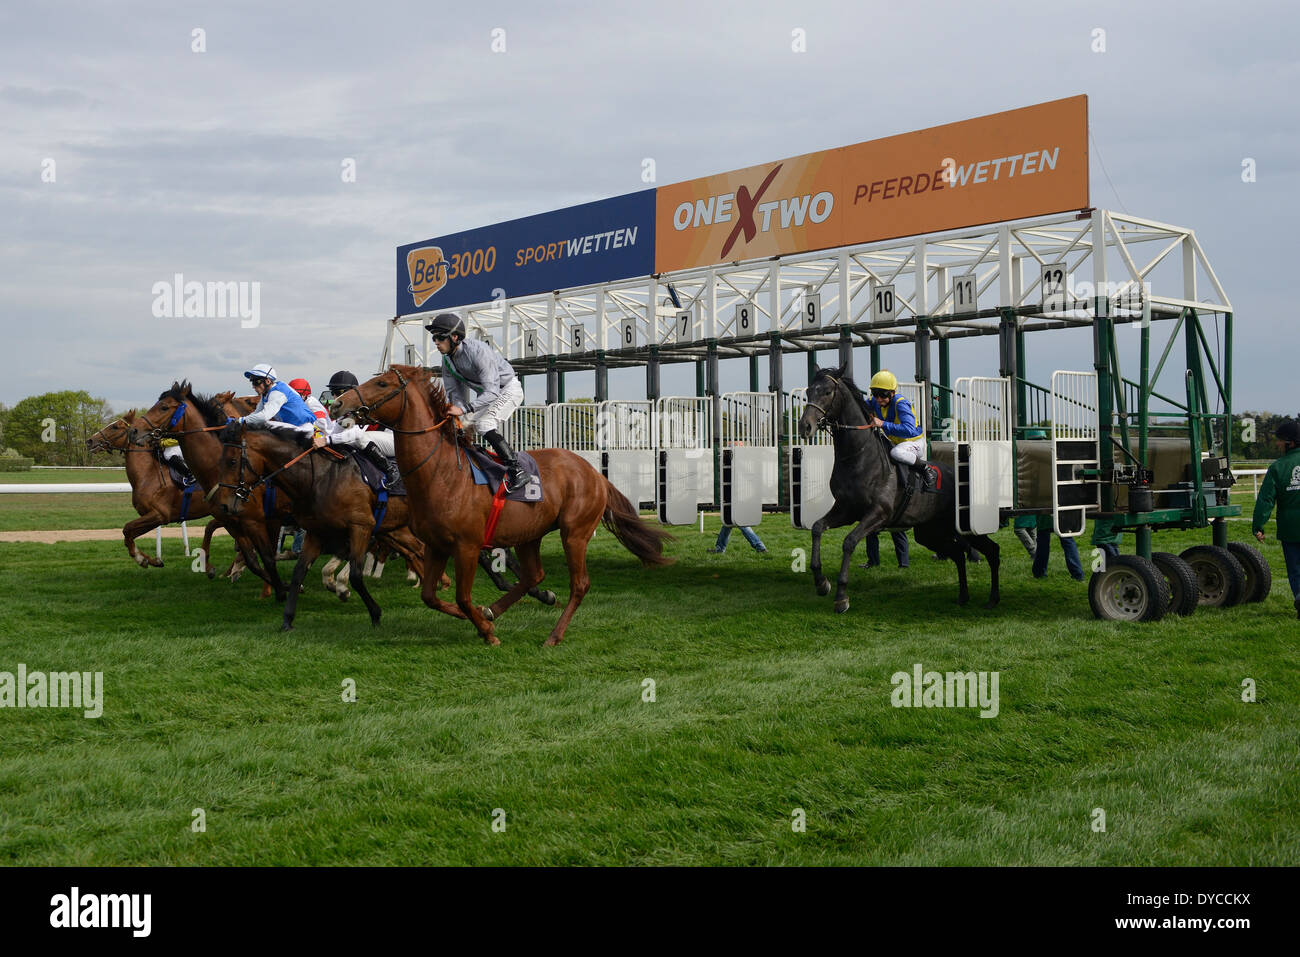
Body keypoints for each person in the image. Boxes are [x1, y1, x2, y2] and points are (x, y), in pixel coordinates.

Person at [425, 311, 528, 492]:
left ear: (455, 337)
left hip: (507, 389)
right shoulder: (447, 360)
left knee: (484, 424)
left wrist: (464, 409)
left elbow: (492, 391)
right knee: (460, 426)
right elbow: (454, 392)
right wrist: (458, 412)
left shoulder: (479, 351)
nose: (436, 342)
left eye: (440, 337)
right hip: (488, 395)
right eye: (434, 338)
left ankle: (517, 470)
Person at [312, 370, 400, 487]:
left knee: (359, 439)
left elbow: (355, 434)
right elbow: (334, 432)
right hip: (374, 441)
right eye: (333, 392)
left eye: (338, 392)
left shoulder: (361, 408)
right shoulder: (345, 415)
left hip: (394, 442)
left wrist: (326, 440)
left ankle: (391, 470)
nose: (334, 397)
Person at [1252, 419, 1300, 618]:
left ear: (1290, 442)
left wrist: (1258, 525)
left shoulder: (1278, 467)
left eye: (1280, 440)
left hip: (1291, 528)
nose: (1277, 444)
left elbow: (1266, 499)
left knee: (1296, 570)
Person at [864, 370, 934, 492]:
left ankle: (925, 468)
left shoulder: (901, 403)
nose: (879, 399)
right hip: (894, 442)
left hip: (914, 443)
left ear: (892, 393)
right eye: (875, 394)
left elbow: (909, 430)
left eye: (883, 394)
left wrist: (882, 424)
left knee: (896, 453)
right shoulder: (874, 401)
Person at [237, 363, 319, 437]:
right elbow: (257, 413)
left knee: (264, 424)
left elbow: (264, 417)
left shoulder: (277, 392)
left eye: (256, 382)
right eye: (252, 382)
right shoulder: (265, 394)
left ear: (268, 381)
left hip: (305, 428)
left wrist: (240, 420)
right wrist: (240, 420)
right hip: (295, 427)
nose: (253, 386)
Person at [1032, 512, 1085, 581]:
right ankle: (1077, 574)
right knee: (1067, 540)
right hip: (1060, 512)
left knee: (1043, 541)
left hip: (1045, 512)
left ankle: (1039, 573)